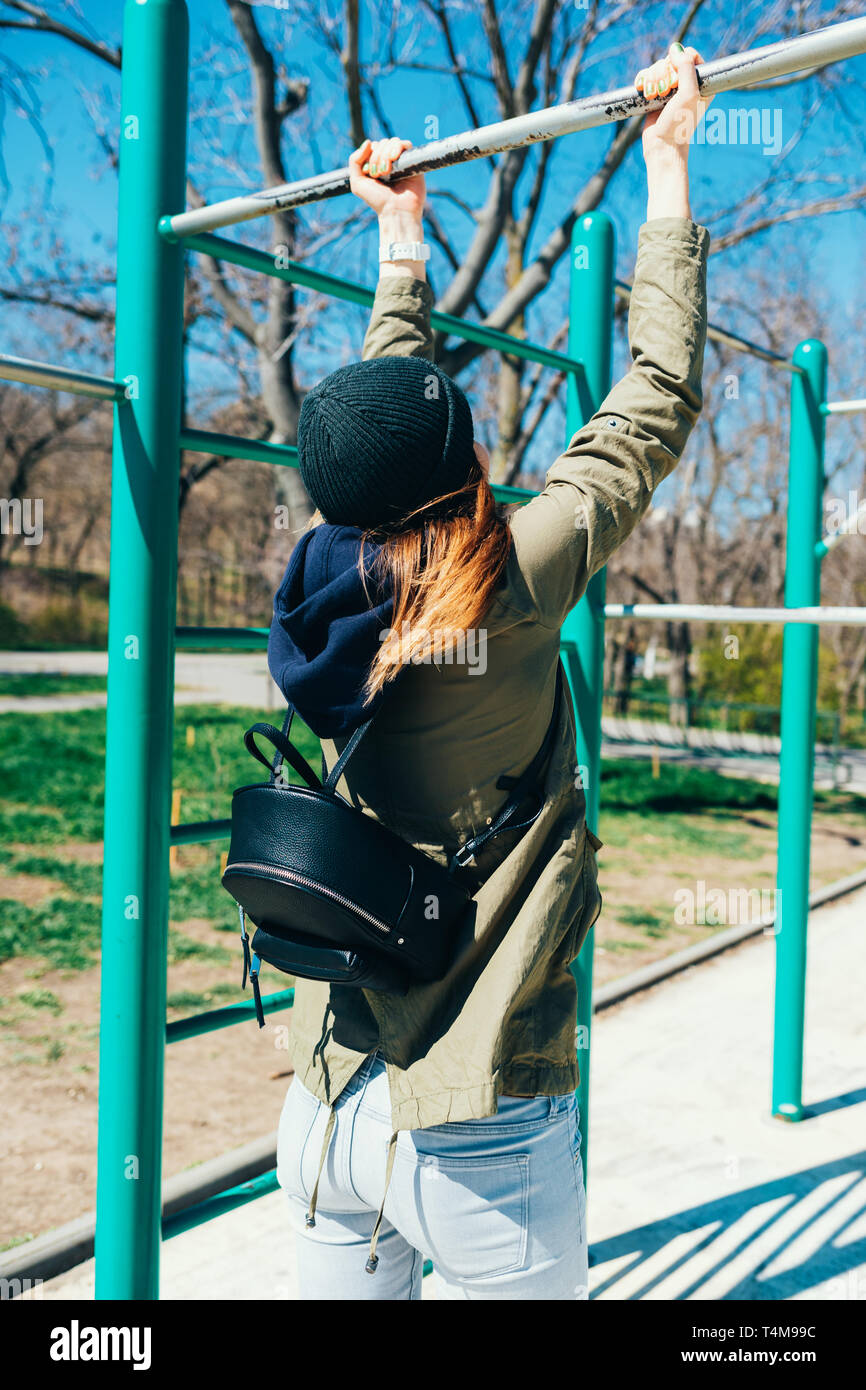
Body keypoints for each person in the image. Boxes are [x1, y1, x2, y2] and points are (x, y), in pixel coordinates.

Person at [269, 42, 712, 1300]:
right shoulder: (508, 582)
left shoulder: (319, 588)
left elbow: (374, 438)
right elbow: (653, 397)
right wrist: (668, 160)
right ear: (459, 469)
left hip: (326, 1102)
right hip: (477, 1128)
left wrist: (398, 248)